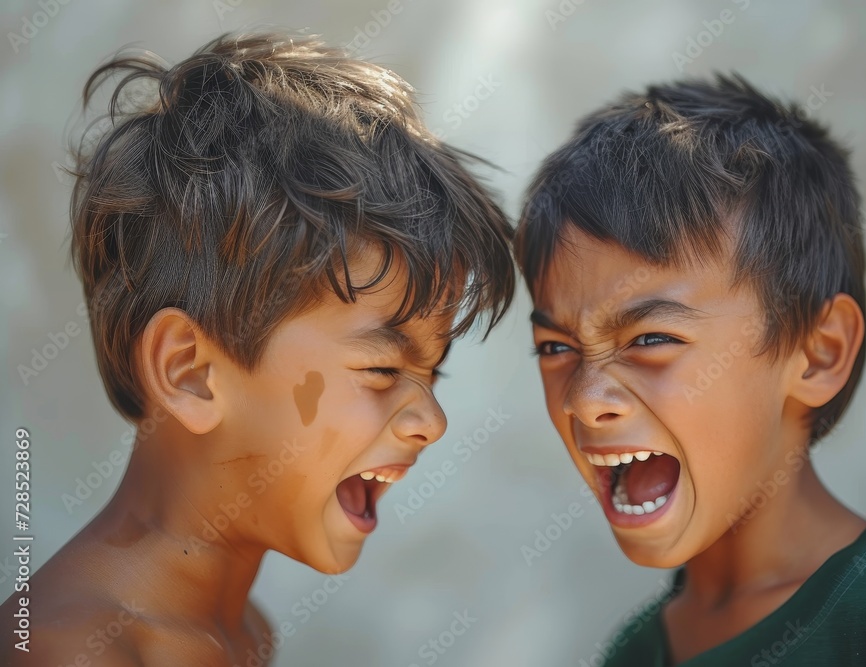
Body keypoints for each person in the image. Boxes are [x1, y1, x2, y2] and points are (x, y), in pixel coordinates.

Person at [0, 31, 515, 666]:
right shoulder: (63, 654)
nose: (433, 421)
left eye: (433, 372)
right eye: (382, 368)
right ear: (189, 372)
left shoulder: (244, 630)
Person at [514, 74, 866, 665]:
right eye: (556, 348)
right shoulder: (634, 653)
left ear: (818, 353)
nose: (584, 400)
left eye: (652, 338)